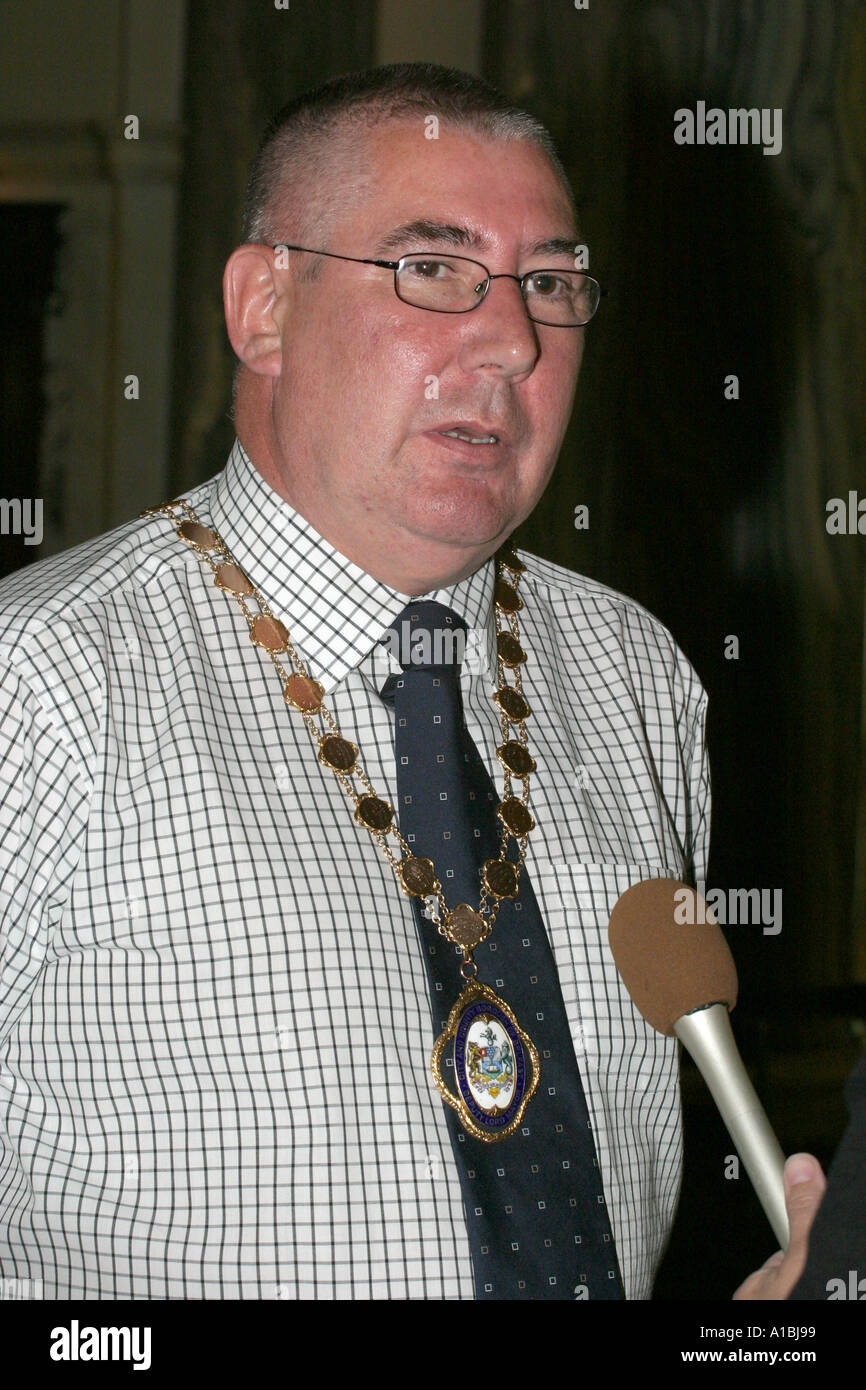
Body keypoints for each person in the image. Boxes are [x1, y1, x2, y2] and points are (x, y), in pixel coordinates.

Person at [0, 63, 711, 1300]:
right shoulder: (44, 681)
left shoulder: (637, 676)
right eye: (431, 270)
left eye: (548, 282)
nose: (510, 338)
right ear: (264, 304)